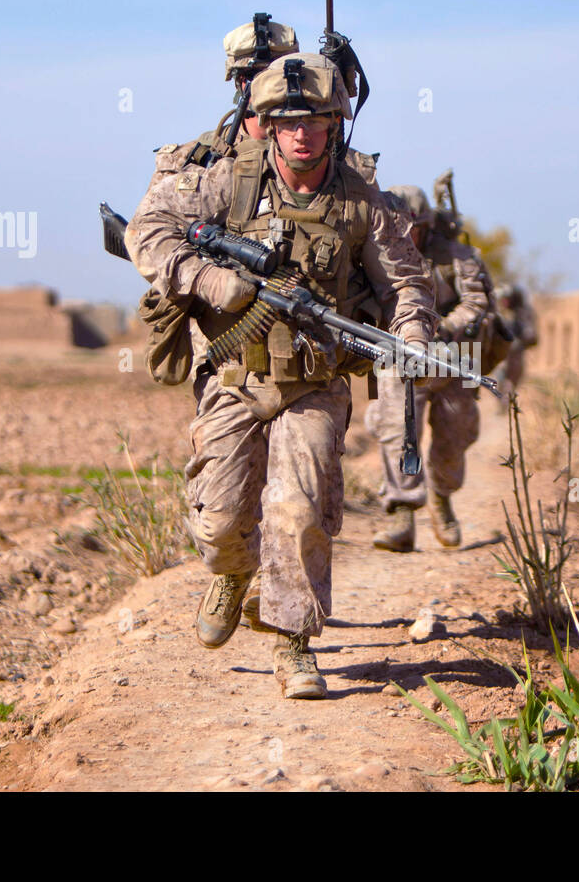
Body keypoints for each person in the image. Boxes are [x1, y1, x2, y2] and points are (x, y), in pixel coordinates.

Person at [124, 53, 435, 699]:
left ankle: (294, 644)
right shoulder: (223, 183)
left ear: (335, 123)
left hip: (315, 382)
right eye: (286, 120)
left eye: (315, 120)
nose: (301, 133)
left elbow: (403, 281)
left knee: (299, 511)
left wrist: (411, 338)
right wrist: (211, 280)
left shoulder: (359, 201)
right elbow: (146, 231)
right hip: (234, 375)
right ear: (265, 122)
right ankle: (232, 575)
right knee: (220, 522)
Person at [366, 185, 493, 552]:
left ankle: (441, 496)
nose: (405, 236)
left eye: (412, 228)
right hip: (400, 354)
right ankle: (402, 513)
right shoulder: (376, 253)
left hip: (458, 355)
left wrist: (444, 331)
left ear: (425, 225)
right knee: (395, 427)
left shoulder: (458, 256)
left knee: (457, 434)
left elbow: (476, 303)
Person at [493, 282, 538, 409]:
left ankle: (505, 406)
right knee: (501, 381)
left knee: (509, 383)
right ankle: (503, 405)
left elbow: (530, 336)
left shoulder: (523, 314)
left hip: (514, 355)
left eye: (507, 299)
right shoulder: (503, 314)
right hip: (503, 355)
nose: (504, 302)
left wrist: (517, 343)